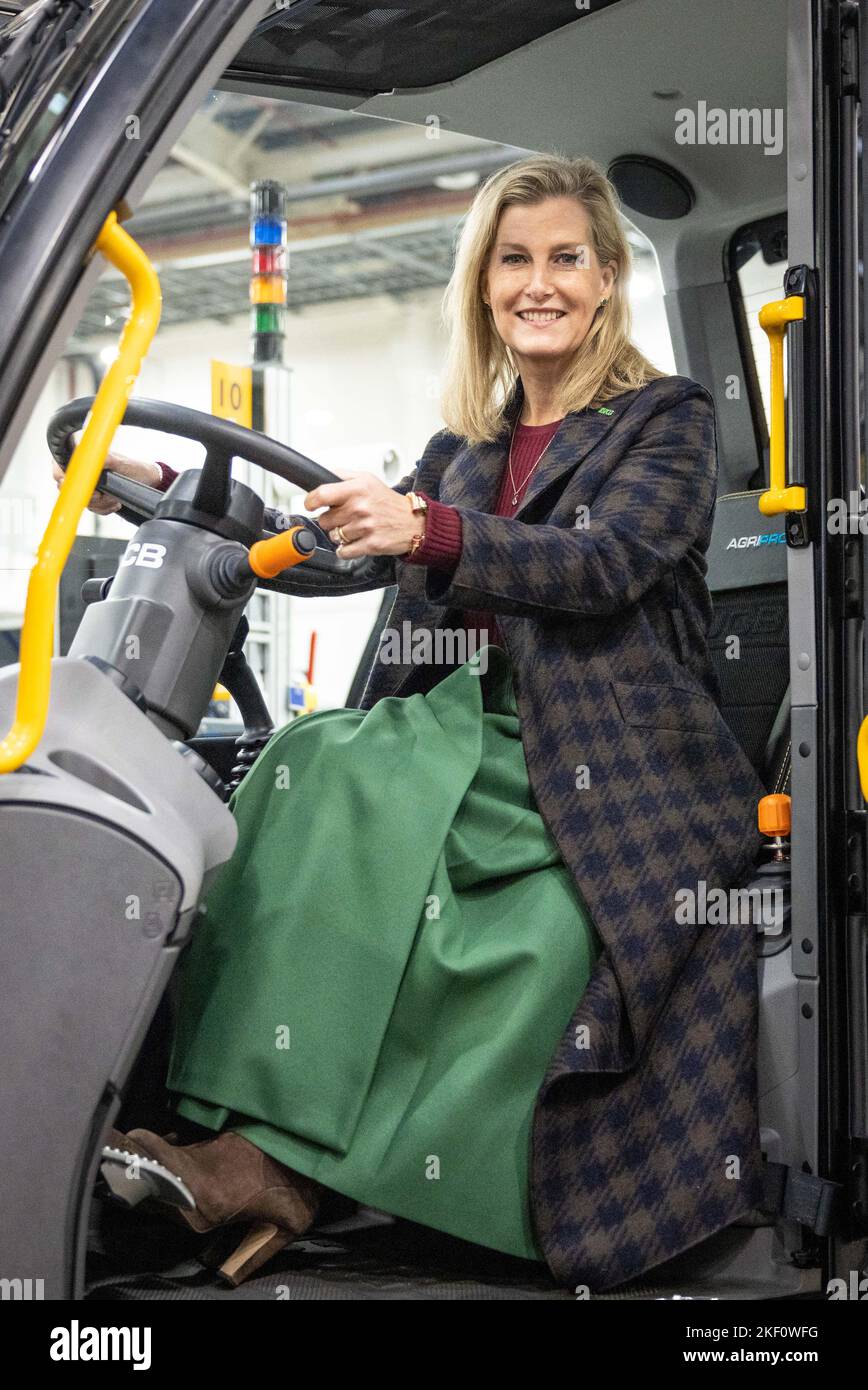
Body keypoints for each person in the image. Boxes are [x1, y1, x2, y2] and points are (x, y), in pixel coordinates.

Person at [56, 154, 767, 1294]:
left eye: (565, 259)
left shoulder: (664, 422)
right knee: (289, 761)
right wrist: (188, 495)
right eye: (514, 259)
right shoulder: (464, 447)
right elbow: (347, 556)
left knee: (338, 779)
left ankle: (278, 1164)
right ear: (483, 284)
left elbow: (604, 562)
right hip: (461, 724)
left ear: (605, 279)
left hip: (607, 756)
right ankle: (232, 1131)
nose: (540, 282)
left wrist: (429, 529)